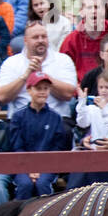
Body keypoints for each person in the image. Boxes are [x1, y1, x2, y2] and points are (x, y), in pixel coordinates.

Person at [8, 71, 70, 199]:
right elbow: (16, 146)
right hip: (22, 165)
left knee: (43, 184)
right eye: (38, 88)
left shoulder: (55, 117)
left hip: (48, 166)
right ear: (29, 90)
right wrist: (29, 168)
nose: (42, 92)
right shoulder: (18, 117)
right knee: (25, 185)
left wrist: (40, 168)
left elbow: (57, 147)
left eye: (46, 88)